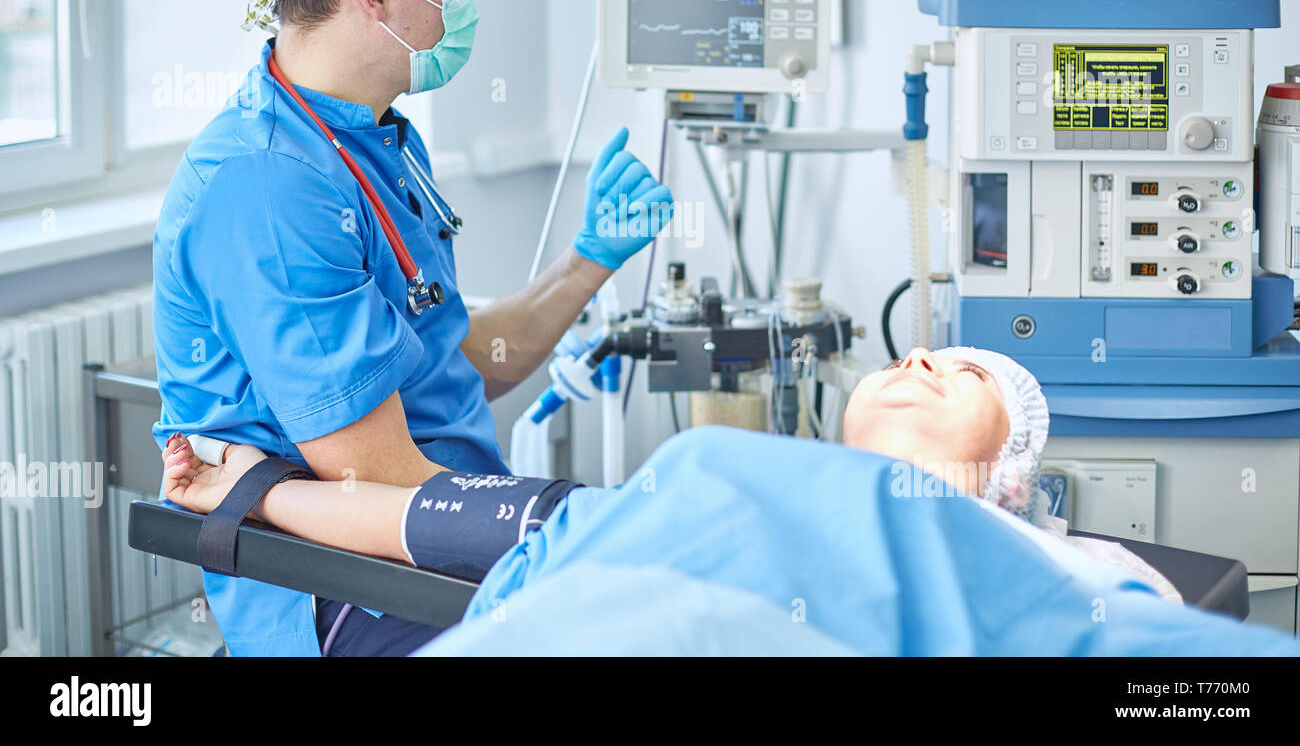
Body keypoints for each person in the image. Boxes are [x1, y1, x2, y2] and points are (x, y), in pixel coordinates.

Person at [150, 0, 672, 657]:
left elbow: (459, 358)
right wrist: (551, 529)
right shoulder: (267, 185)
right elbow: (374, 477)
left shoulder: (375, 139)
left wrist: (588, 262)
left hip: (437, 532)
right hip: (350, 585)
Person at [164, 346, 1205, 654]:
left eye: (971, 374)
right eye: (916, 351)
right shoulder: (702, 480)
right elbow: (411, 515)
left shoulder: (1073, 571)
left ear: (1011, 470)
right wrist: (249, 489)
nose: (925, 355)